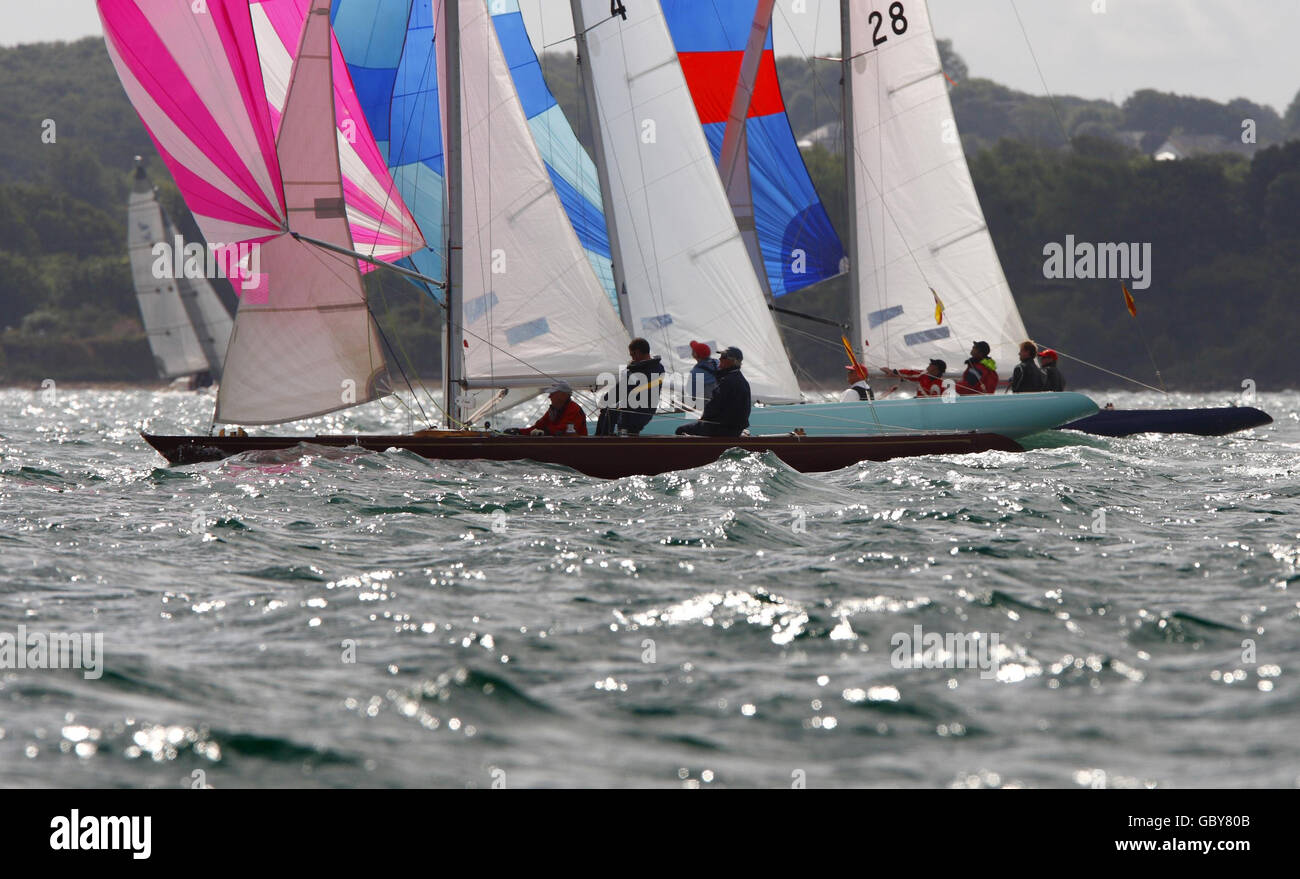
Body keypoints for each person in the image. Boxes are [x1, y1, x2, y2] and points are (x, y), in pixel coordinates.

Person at [595, 337, 666, 435]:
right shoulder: (658, 367)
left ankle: (601, 443)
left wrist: (605, 400)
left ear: (636, 353)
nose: (632, 358)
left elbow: (622, 389)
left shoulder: (641, 370)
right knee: (611, 413)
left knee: (607, 413)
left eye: (632, 355)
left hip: (634, 413)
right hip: (644, 412)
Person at [675, 346, 750, 437]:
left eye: (723, 357)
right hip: (734, 429)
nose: (720, 359)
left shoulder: (727, 381)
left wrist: (703, 420)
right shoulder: (741, 380)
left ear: (732, 361)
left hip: (720, 429)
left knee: (680, 430)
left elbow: (713, 407)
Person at [512, 381, 587, 436]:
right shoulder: (553, 410)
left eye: (553, 394)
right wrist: (519, 431)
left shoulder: (574, 409)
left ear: (563, 395)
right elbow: (538, 427)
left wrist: (544, 432)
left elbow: (563, 430)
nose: (549, 397)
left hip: (575, 449)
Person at [687, 340, 719, 406]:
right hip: (724, 398)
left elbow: (693, 394)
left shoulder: (695, 372)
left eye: (693, 350)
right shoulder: (717, 362)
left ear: (695, 355)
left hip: (710, 404)